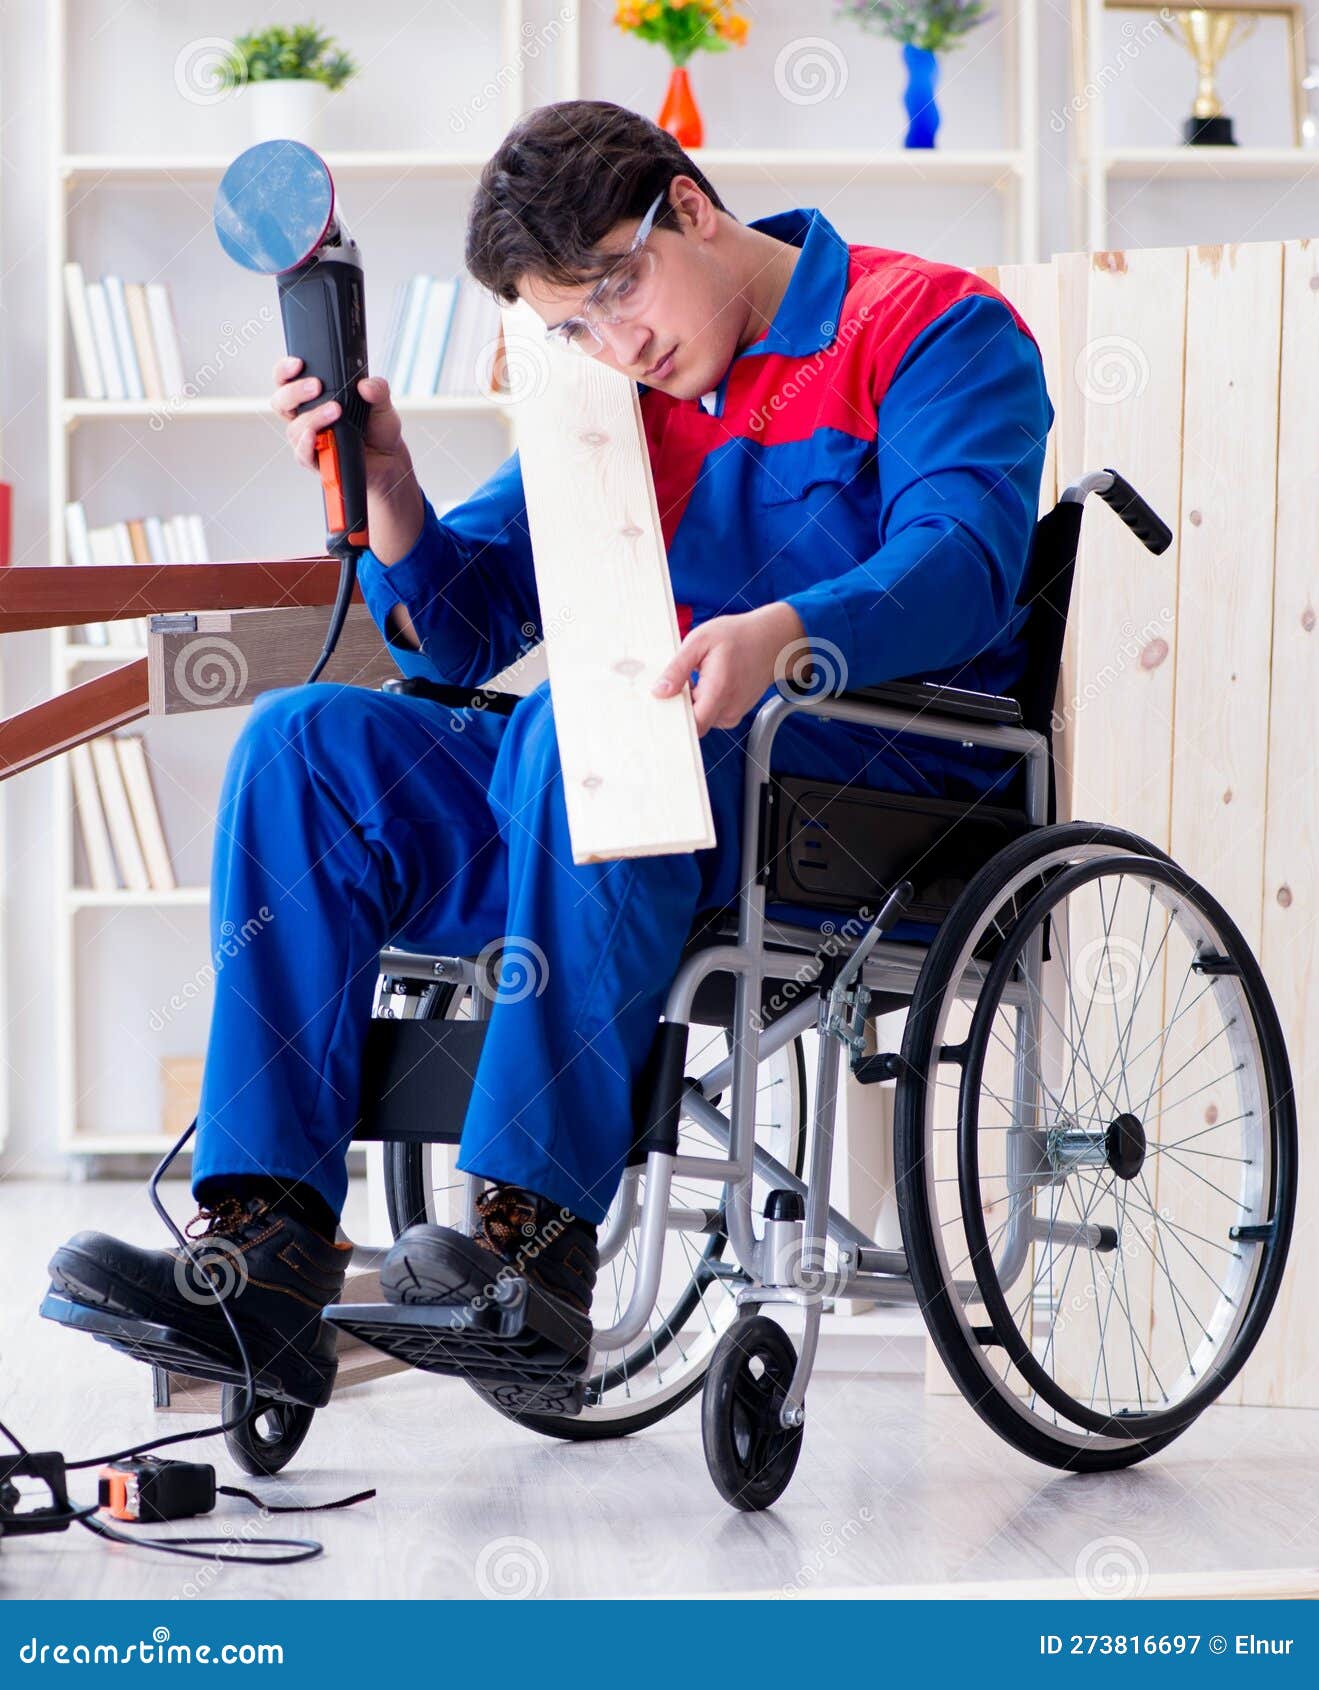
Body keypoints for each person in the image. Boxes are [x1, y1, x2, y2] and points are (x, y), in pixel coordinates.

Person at [47, 100, 1053, 1402]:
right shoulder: (620, 398)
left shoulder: (928, 327)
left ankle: (531, 1241)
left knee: (574, 733)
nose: (614, 339)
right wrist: (395, 487)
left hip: (856, 793)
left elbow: (966, 565)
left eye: (618, 293)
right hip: (614, 797)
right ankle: (268, 1255)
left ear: (689, 207)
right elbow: (458, 634)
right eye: (570, 325)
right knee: (303, 743)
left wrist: (790, 628)